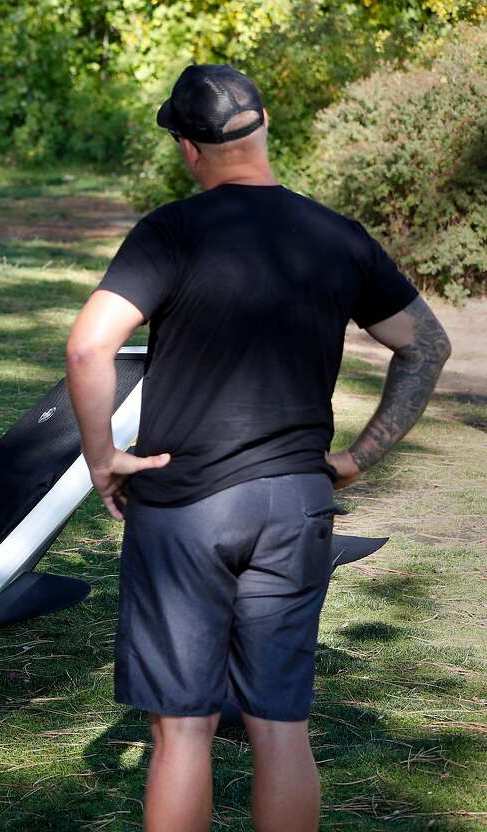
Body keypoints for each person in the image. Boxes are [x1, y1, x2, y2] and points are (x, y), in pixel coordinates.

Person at [65, 65, 450, 831]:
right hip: (294, 505)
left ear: (187, 147)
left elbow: (87, 350)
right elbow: (427, 346)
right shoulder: (337, 236)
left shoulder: (171, 231)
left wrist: (102, 458)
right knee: (280, 726)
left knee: (182, 730)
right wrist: (358, 457)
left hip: (184, 506)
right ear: (265, 121)